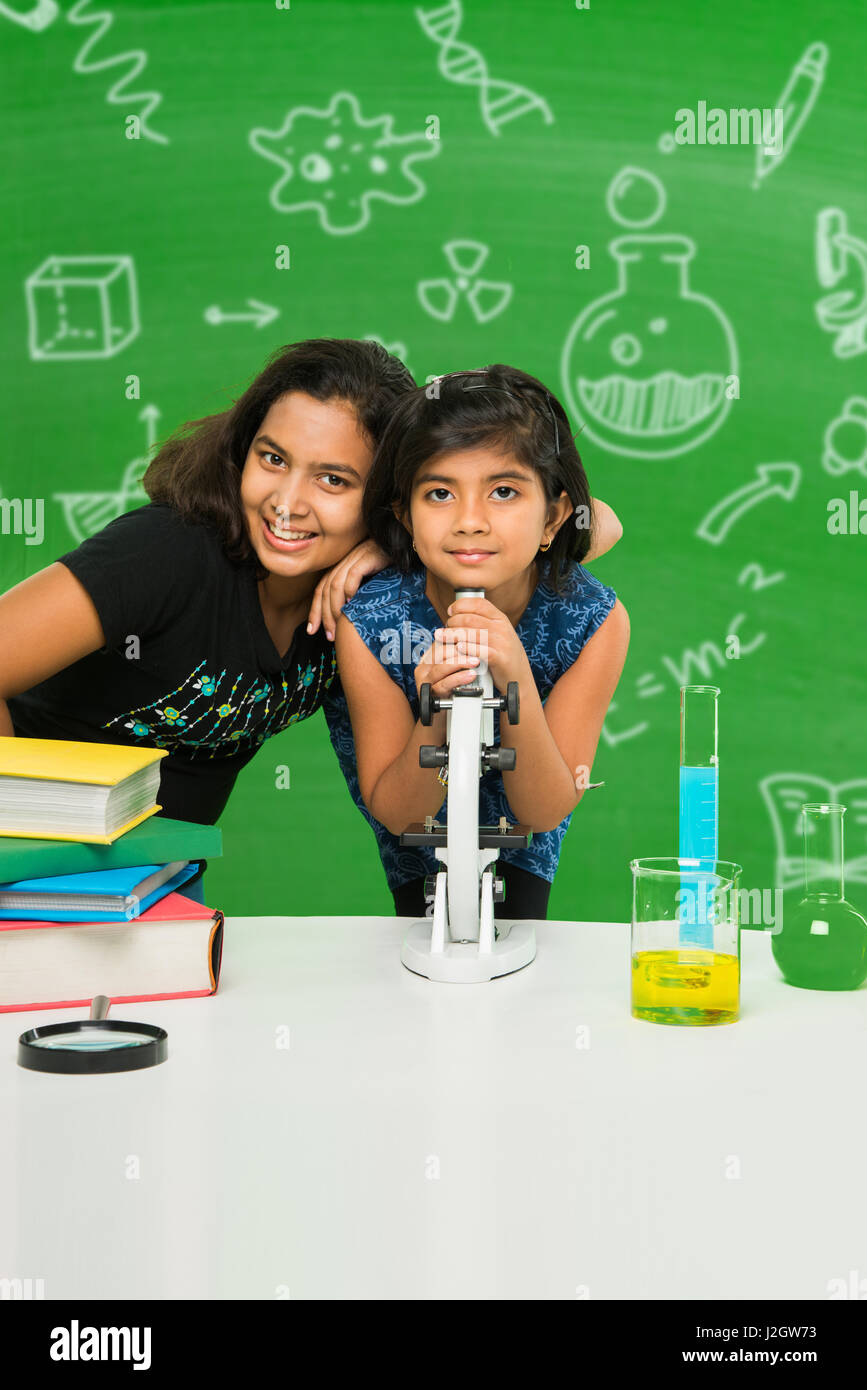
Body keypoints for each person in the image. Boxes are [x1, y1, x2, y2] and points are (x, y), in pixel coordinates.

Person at [0, 342, 623, 906]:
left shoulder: (356, 606)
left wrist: (399, 546)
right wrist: (29, 825)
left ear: (385, 496)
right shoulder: (166, 555)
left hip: (145, 880)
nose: (288, 504)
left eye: (333, 479)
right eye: (272, 458)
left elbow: (591, 524)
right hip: (34, 857)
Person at [325, 365, 630, 921]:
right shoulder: (370, 624)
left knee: (519, 941)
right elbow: (400, 815)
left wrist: (514, 675)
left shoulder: (595, 621)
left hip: (527, 853)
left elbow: (544, 808)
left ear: (553, 518)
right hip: (417, 859)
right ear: (405, 516)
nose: (469, 521)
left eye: (504, 492)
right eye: (440, 493)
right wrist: (433, 712)